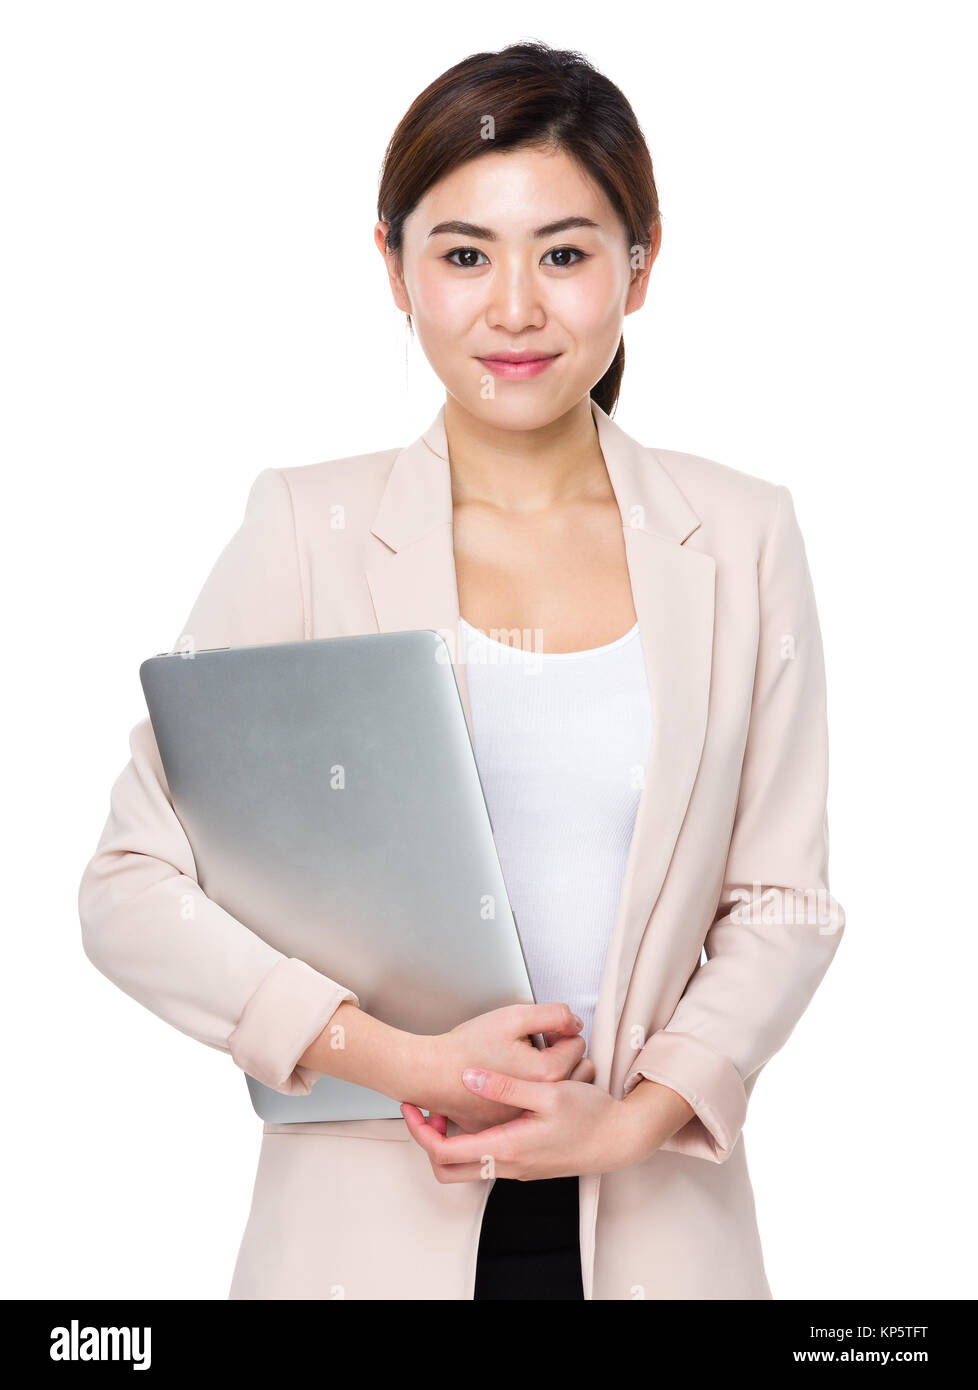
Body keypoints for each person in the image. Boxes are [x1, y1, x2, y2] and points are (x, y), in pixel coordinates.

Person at [78, 40, 845, 1301]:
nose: (515, 309)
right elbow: (130, 884)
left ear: (640, 265)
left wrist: (634, 1116)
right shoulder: (303, 532)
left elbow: (781, 901)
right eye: (463, 254)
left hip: (656, 1230)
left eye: (564, 251)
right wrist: (394, 1055)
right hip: (364, 1224)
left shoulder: (744, 536)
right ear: (394, 266)